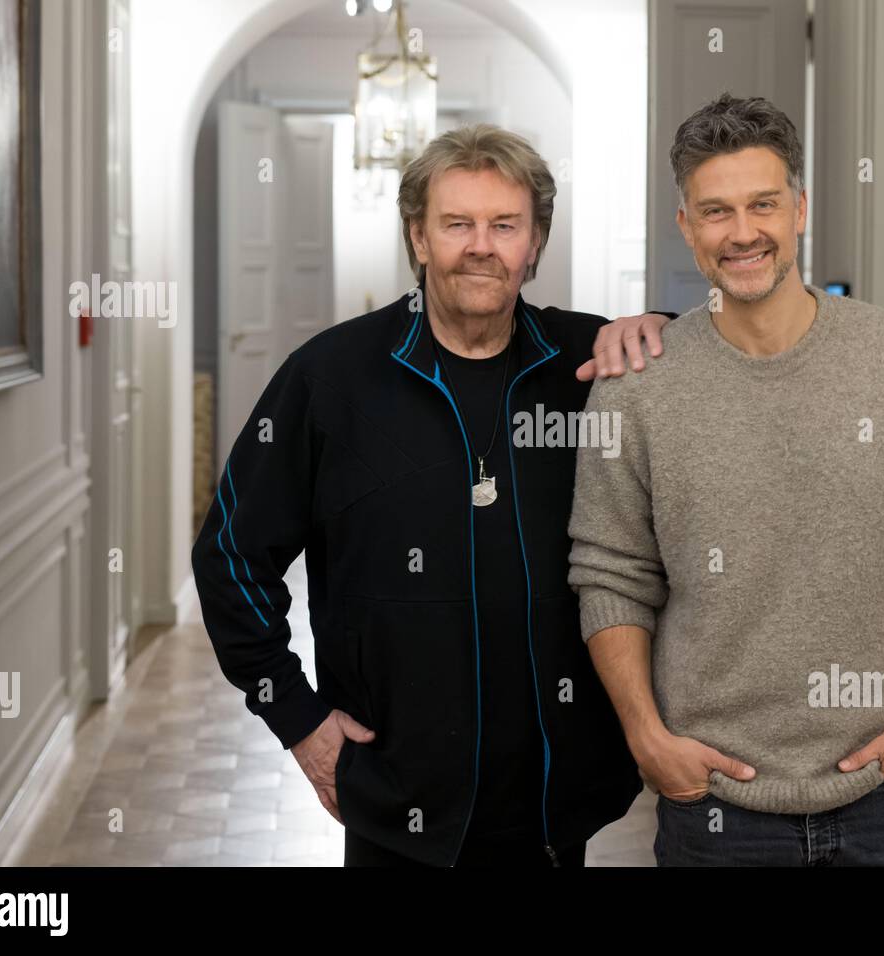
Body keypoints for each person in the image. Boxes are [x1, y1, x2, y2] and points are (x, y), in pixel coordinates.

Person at [191, 124, 675, 867]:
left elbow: (727, 360)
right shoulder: (329, 380)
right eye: (457, 224)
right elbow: (229, 557)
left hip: (554, 803)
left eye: (505, 225)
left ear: (534, 243)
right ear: (418, 238)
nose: (481, 246)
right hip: (394, 800)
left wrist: (662, 325)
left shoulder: (589, 367)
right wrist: (296, 717)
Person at [567, 93, 884, 866]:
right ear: (686, 227)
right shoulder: (636, 387)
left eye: (763, 204)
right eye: (715, 211)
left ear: (799, 208)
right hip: (714, 811)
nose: (742, 233)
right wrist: (647, 740)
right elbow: (611, 574)